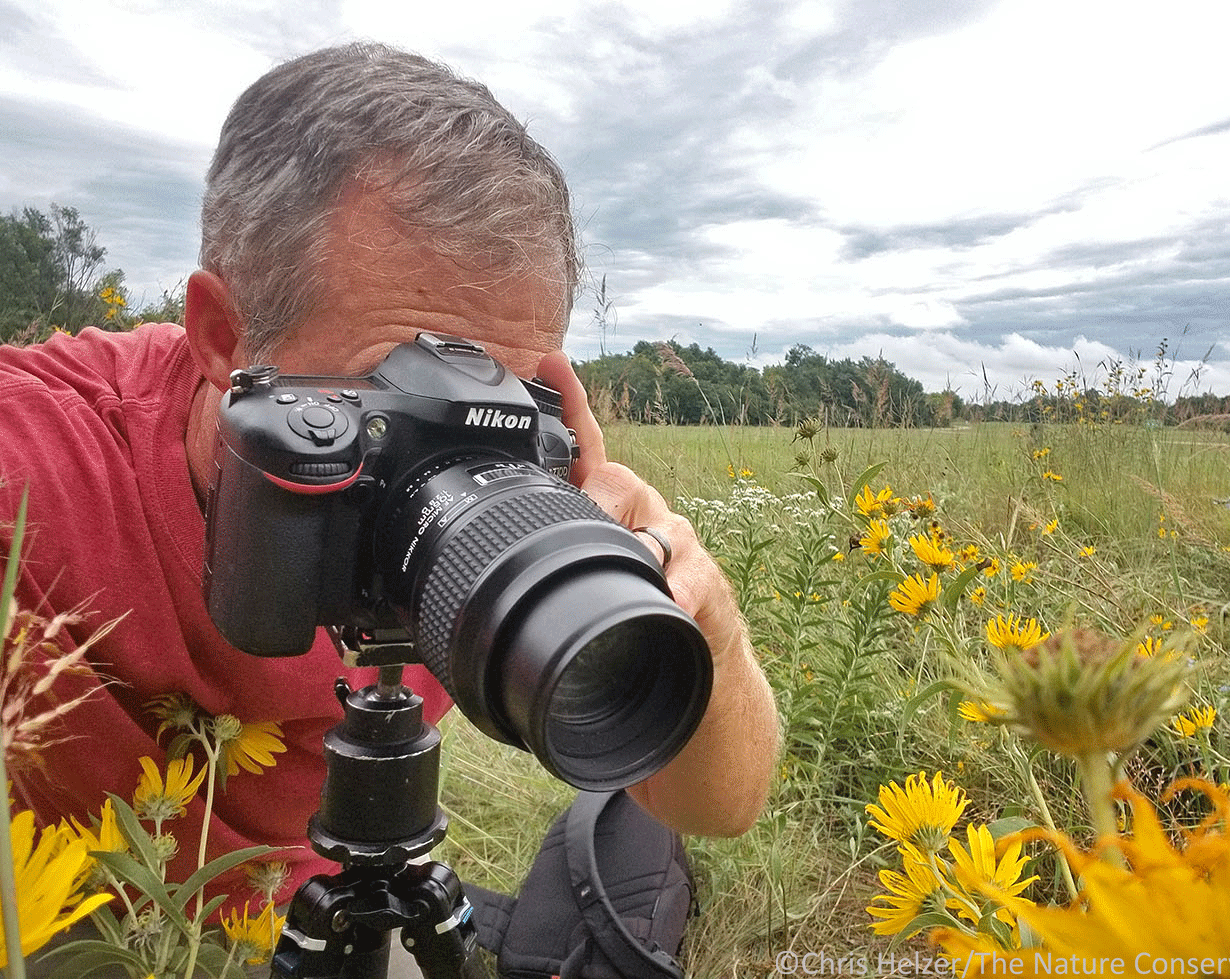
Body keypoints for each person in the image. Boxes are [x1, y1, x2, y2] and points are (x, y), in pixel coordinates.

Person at [0, 41, 778, 925]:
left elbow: (723, 808)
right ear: (223, 339)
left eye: (503, 400)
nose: (463, 480)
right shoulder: (44, 466)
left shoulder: (524, 501)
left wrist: (696, 612)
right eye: (391, 413)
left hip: (323, 904)